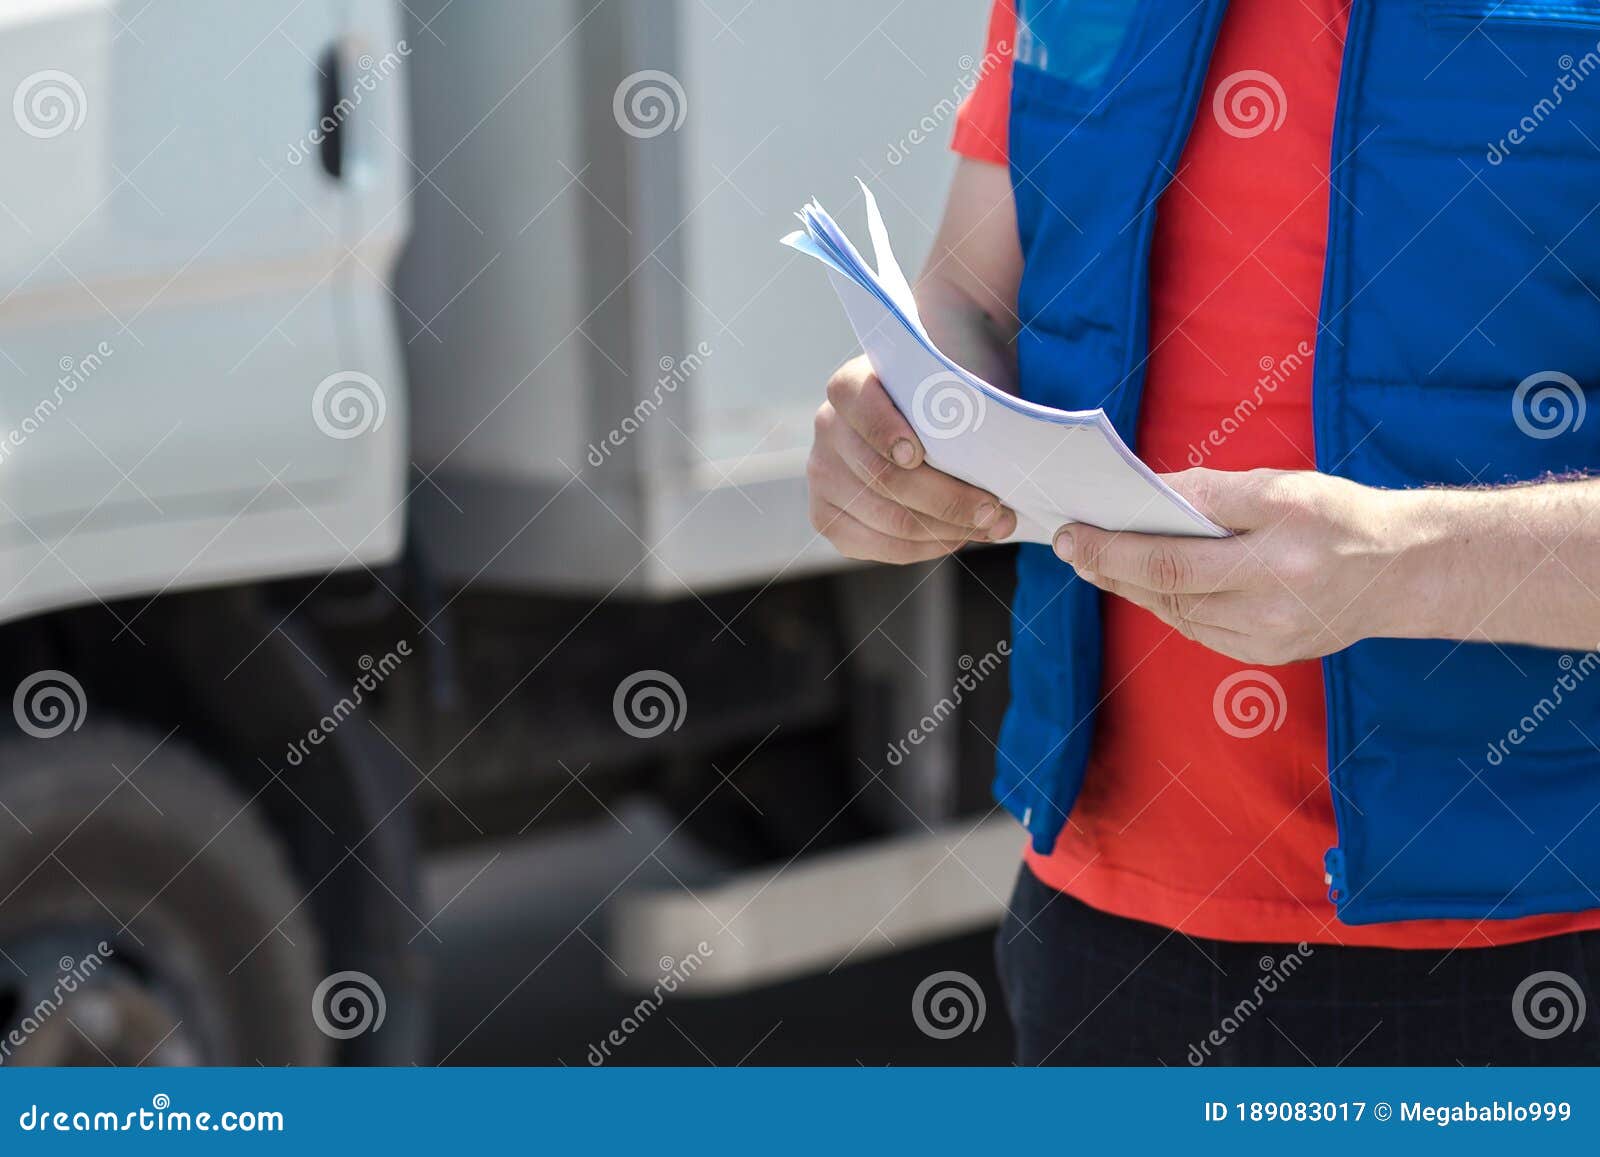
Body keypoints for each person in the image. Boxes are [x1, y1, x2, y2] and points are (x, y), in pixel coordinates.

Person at [808, 0, 1600, 1065]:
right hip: (1102, 932)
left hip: (1531, 943)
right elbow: (973, 299)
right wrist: (901, 426)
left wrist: (1405, 567)